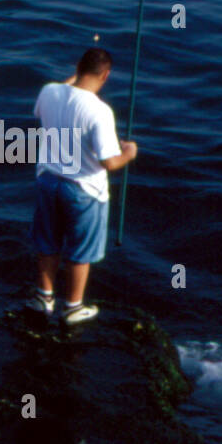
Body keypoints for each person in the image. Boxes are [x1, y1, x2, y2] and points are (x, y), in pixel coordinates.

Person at [27, 47, 138, 324]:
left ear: (77, 67)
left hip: (48, 180)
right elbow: (109, 162)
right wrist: (129, 153)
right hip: (84, 190)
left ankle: (44, 298)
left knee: (47, 242)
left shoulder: (48, 92)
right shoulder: (100, 111)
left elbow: (49, 103)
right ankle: (73, 307)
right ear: (106, 75)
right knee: (80, 250)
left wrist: (73, 80)